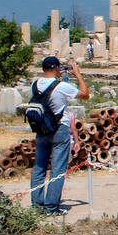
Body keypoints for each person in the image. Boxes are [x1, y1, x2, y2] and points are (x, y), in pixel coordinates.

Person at [26, 56, 90, 215]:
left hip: (41, 129)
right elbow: (85, 94)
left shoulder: (35, 84)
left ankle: (37, 206)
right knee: (57, 170)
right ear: (56, 68)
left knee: (39, 168)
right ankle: (51, 208)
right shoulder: (61, 86)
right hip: (59, 129)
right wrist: (77, 74)